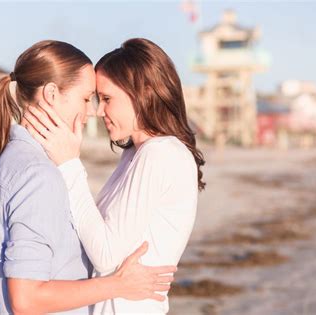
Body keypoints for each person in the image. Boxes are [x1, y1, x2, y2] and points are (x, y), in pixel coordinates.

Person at [0, 40, 177, 315]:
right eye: (85, 98)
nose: (92, 111)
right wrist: (117, 285)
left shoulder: (13, 157)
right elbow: (27, 299)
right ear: (52, 94)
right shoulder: (39, 175)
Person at [24, 38, 205, 314]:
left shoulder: (161, 154)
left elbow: (107, 255)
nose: (98, 111)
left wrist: (70, 163)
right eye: (96, 99)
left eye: (107, 99)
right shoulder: (137, 153)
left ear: (144, 92)